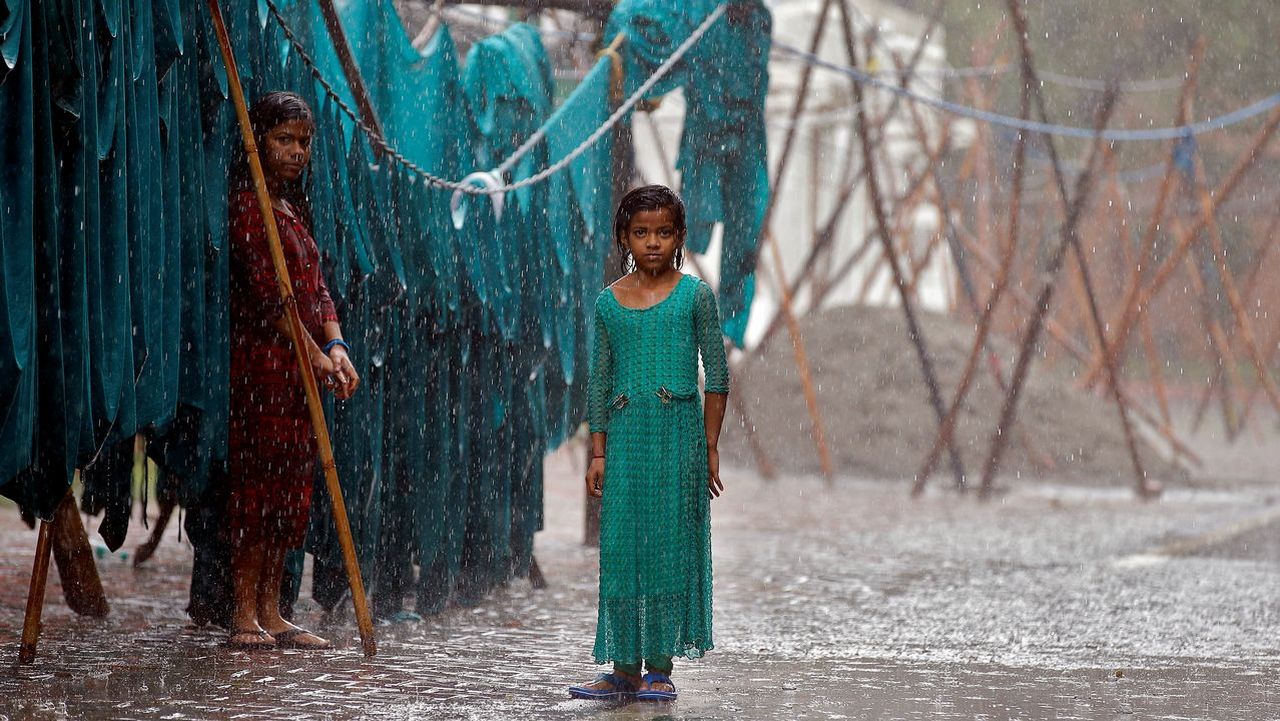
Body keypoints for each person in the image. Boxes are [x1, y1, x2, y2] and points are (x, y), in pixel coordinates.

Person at [568, 185, 729, 702]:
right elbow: (599, 379)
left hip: (678, 439)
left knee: (666, 548)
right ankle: (623, 669)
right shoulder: (607, 303)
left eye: (663, 233)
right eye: (641, 233)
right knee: (620, 549)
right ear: (624, 238)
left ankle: (660, 668)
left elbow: (718, 374)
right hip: (626, 440)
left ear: (679, 237)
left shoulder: (695, 297)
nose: (652, 243)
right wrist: (597, 452)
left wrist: (709, 446)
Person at [226, 91, 360, 650]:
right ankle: (242, 612)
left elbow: (317, 289)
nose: (296, 151)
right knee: (258, 488)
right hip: (264, 370)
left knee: (289, 489)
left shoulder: (291, 210)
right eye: (283, 140)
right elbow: (271, 301)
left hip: (301, 372)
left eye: (303, 142)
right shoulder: (248, 207)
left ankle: (274, 610)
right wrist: (312, 353)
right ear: (257, 142)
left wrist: (337, 347)